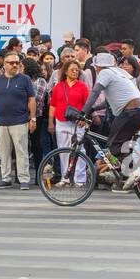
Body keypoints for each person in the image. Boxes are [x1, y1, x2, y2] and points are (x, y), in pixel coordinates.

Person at [75, 52, 140, 192]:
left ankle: (134, 171)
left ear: (99, 66)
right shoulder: (120, 73)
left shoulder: (105, 73)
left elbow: (95, 93)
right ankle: (127, 176)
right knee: (122, 144)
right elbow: (109, 102)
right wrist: (93, 108)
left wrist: (83, 113)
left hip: (131, 112)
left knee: (112, 145)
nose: (96, 70)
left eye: (96, 67)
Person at [0, 49, 37, 189]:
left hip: (20, 121)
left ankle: (24, 180)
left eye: (17, 62)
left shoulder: (25, 79)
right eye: (11, 63)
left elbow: (32, 100)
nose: (15, 65)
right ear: (4, 64)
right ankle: (6, 178)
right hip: (1, 122)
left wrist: (33, 119)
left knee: (21, 152)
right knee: (4, 152)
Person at [48, 58, 90, 186]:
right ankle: (65, 178)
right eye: (72, 70)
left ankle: (79, 179)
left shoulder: (82, 86)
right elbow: (52, 105)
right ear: (65, 71)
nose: (75, 72)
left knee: (80, 150)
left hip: (78, 122)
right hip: (61, 121)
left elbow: (87, 104)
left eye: (77, 70)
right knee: (63, 150)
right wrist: (51, 122)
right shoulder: (58, 87)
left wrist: (84, 119)